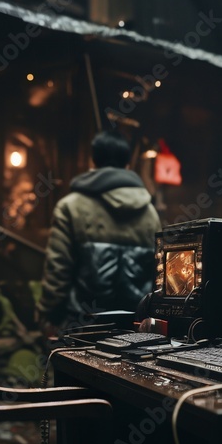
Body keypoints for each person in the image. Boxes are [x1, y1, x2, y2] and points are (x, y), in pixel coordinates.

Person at [36, 130, 161, 332]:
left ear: (92, 162)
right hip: (133, 329)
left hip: (81, 328)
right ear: (127, 165)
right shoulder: (150, 213)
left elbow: (58, 270)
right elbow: (157, 275)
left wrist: (49, 315)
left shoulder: (71, 207)